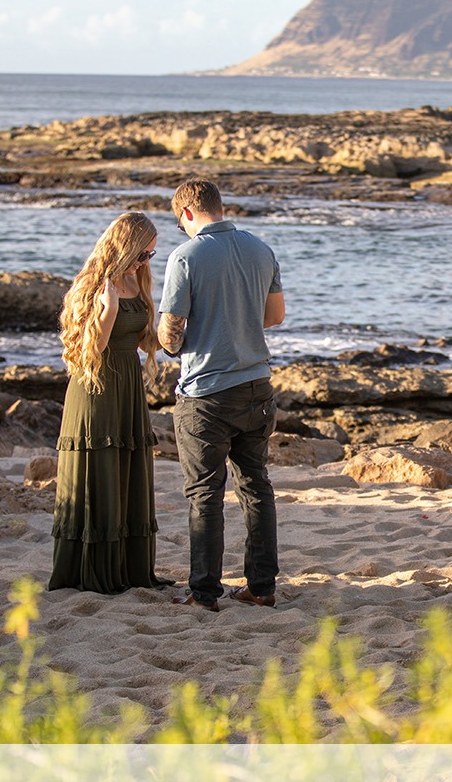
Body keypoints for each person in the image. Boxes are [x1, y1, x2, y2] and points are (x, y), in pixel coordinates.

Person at [157, 178, 284, 612]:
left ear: (187, 214)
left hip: (207, 393)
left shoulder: (185, 257)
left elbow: (171, 338)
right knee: (256, 487)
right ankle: (262, 587)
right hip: (257, 386)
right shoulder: (260, 249)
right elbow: (276, 316)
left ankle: (204, 592)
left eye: (179, 223)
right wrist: (236, 323)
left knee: (205, 495)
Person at [48, 211, 172, 594]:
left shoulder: (139, 280)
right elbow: (92, 350)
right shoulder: (92, 285)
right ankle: (95, 571)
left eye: (150, 255)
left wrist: (179, 325)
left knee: (128, 472)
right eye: (141, 254)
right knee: (101, 471)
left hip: (129, 388)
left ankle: (130, 569)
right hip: (96, 389)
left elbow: (146, 341)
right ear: (125, 246)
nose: (145, 262)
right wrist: (110, 309)